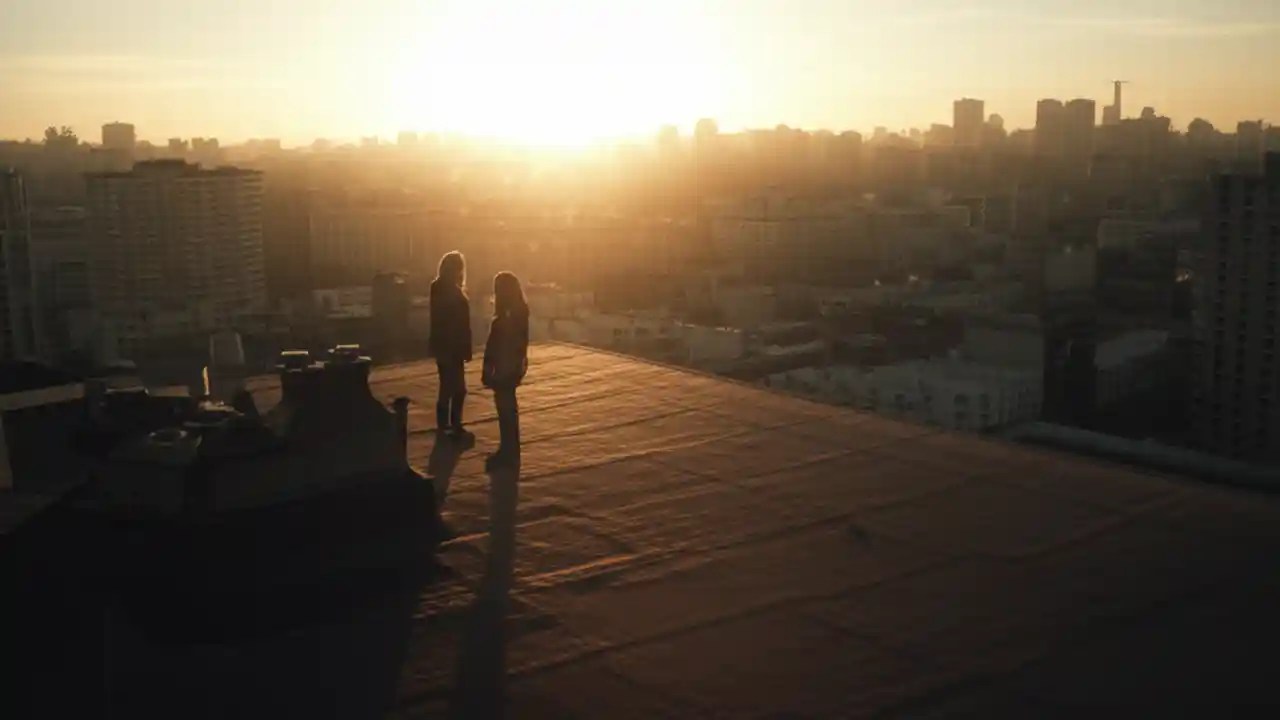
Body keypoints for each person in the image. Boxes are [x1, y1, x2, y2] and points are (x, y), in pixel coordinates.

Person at [481, 271, 529, 468]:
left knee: (505, 410)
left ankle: (507, 452)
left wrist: (488, 369)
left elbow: (495, 345)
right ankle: (510, 450)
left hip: (503, 368)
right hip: (512, 367)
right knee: (509, 410)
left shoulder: (505, 317)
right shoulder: (520, 313)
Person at [430, 251, 472, 438]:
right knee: (452, 388)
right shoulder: (444, 289)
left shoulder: (444, 288)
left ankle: (450, 424)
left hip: (451, 346)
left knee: (452, 388)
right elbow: (445, 320)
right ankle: (449, 425)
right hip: (449, 345)